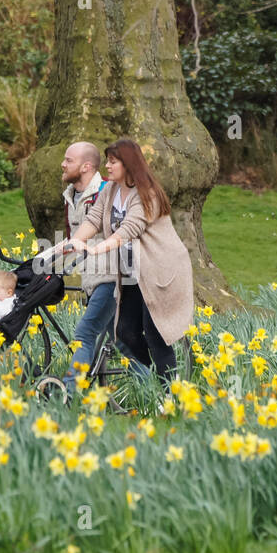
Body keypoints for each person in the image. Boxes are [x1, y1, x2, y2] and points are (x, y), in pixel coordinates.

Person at [52, 137, 194, 383]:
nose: (107, 166)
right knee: (124, 332)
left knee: (154, 333)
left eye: (113, 162)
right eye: (108, 161)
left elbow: (129, 229)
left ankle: (171, 393)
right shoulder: (110, 190)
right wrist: (74, 242)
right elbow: (93, 220)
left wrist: (96, 249)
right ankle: (151, 384)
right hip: (131, 274)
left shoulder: (146, 195)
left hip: (160, 271)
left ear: (128, 165)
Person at [56, 141, 113, 387]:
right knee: (124, 341)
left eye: (69, 160)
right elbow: (73, 242)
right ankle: (154, 392)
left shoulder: (107, 193)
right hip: (92, 278)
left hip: (113, 276)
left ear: (86, 166)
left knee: (85, 334)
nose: (63, 163)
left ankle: (66, 393)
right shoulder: (71, 197)